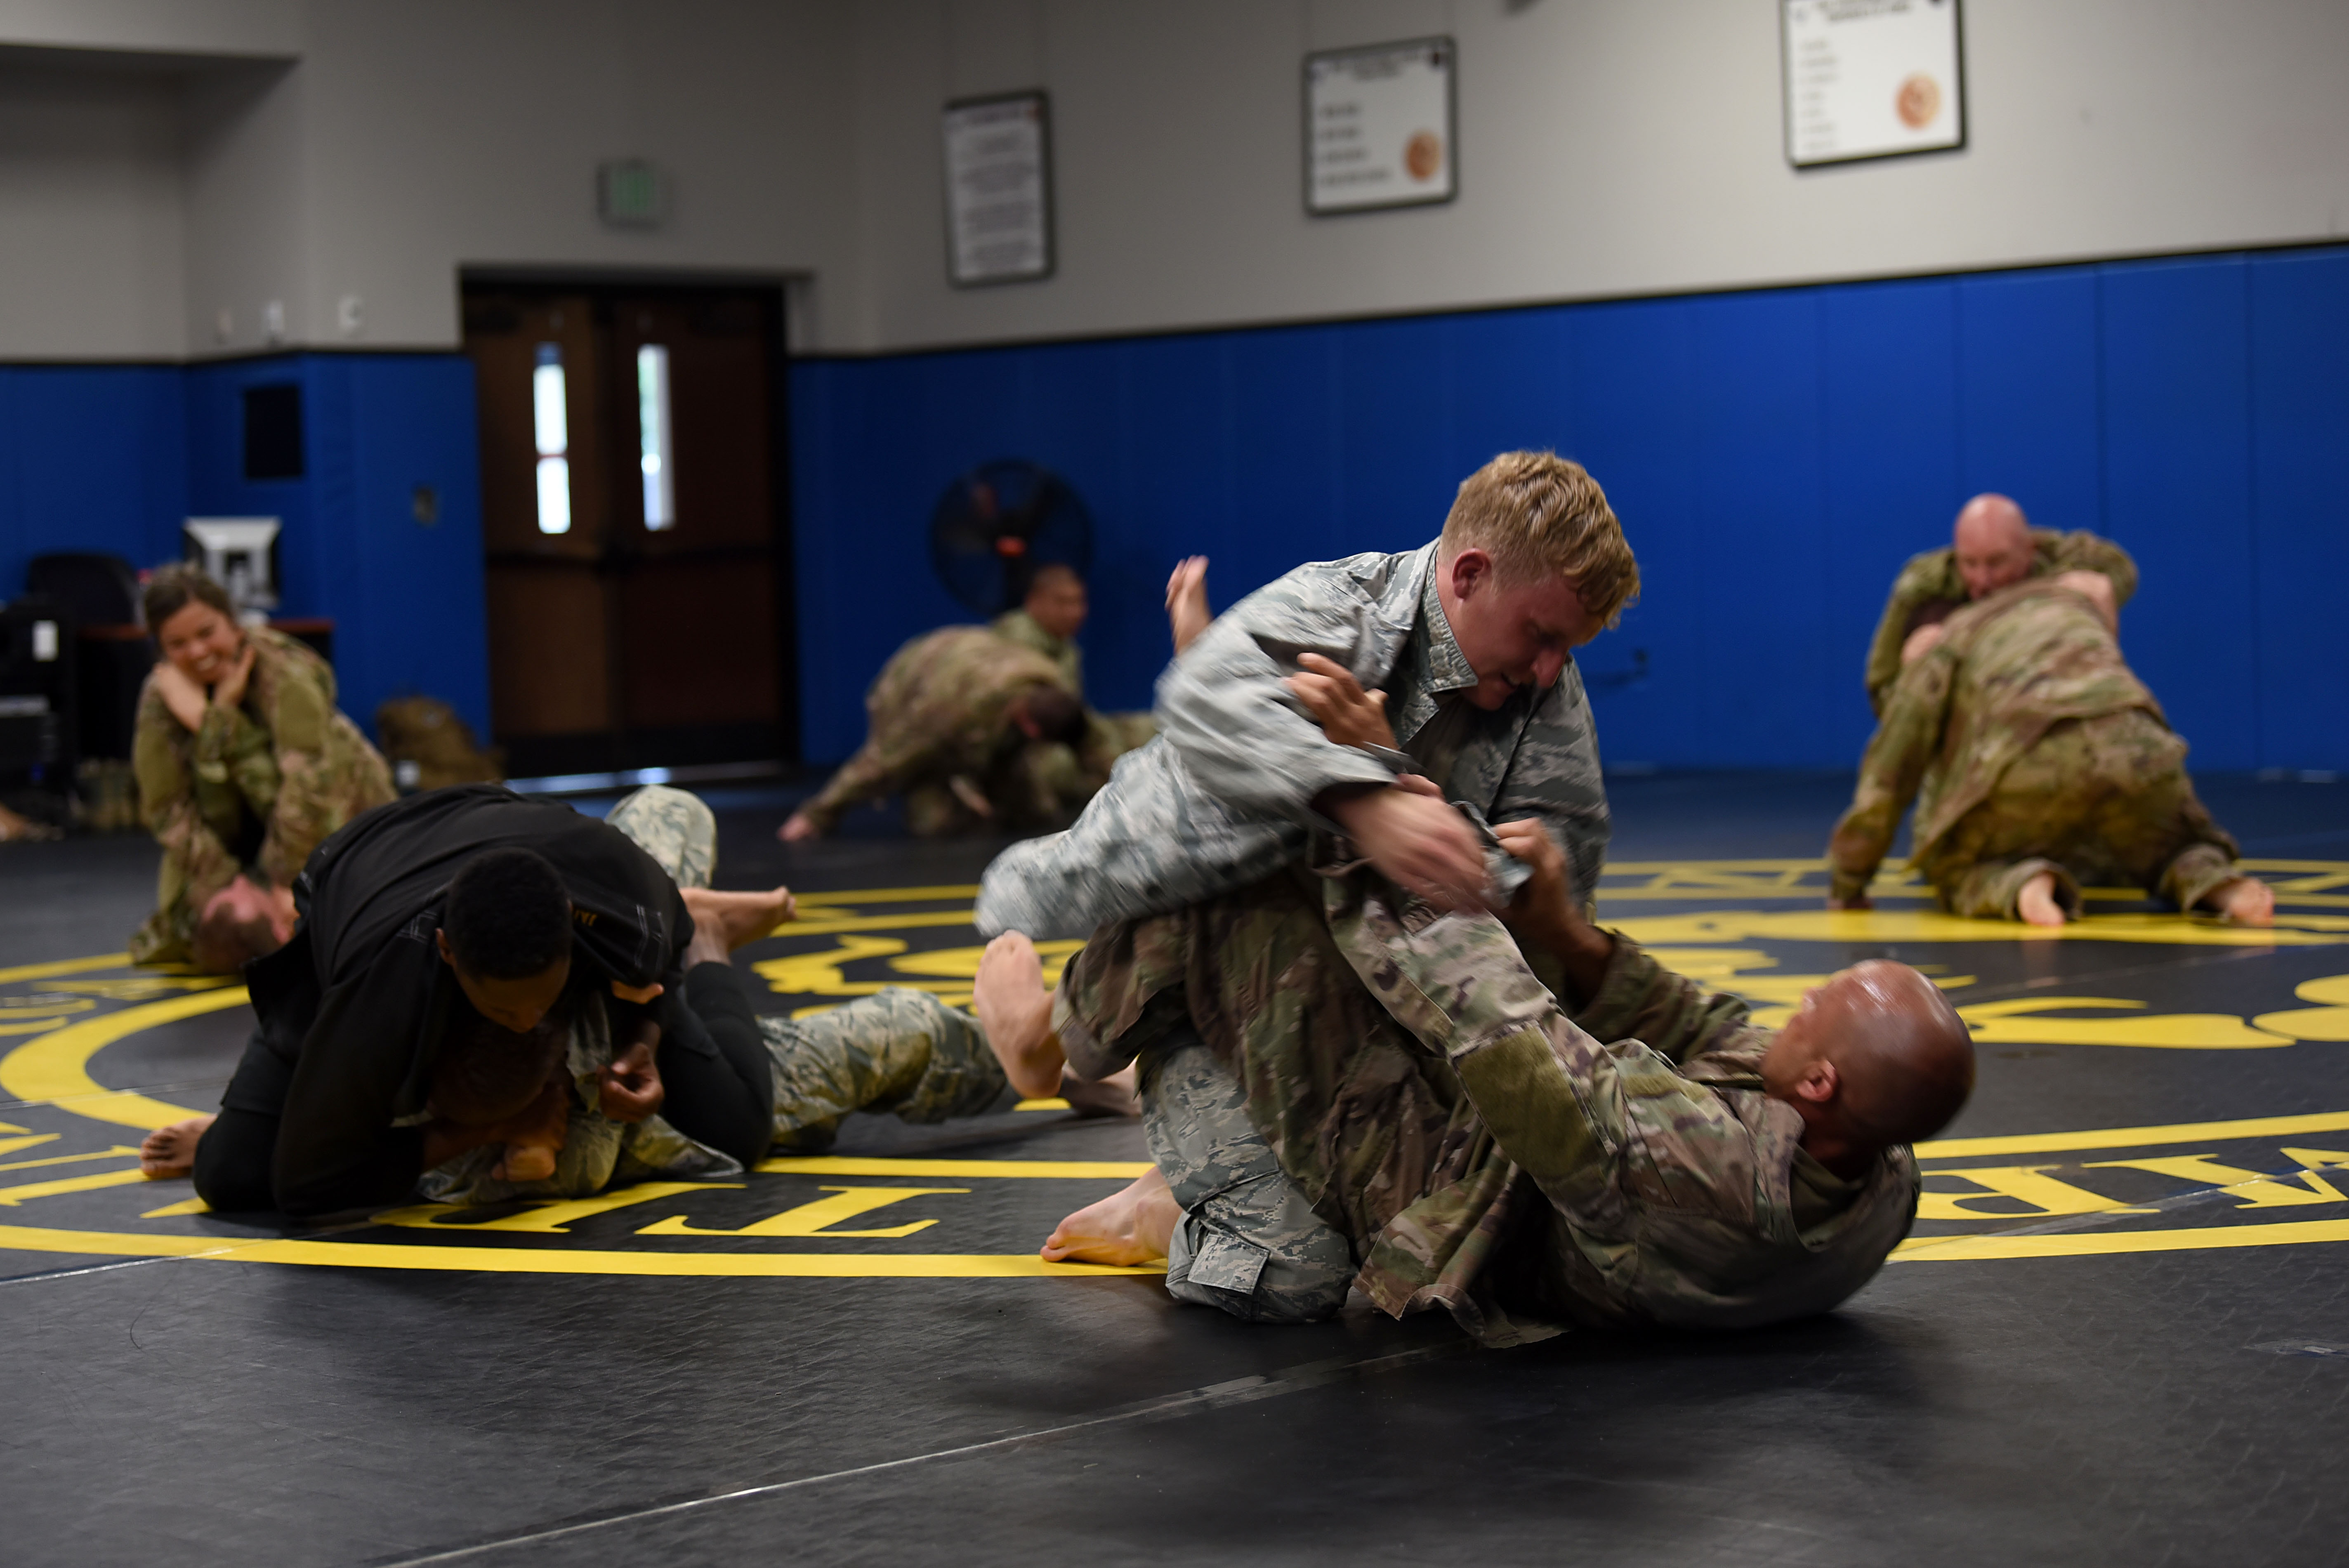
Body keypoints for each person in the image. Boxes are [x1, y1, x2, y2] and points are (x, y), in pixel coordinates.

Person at [965, 795, 1974, 1338]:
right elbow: (1705, 1028)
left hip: (1448, 1201)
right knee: (1408, 938)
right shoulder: (1878, 1167)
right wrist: (1568, 933)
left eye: (1814, 1010)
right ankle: (1147, 1121)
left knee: (1259, 878)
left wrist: (1381, 807)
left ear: (1821, 1087)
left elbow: (1504, 1036)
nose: (1791, 1008)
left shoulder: (1702, 1177)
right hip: (1532, 1171)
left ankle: (1049, 1043)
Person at [974, 450, 1638, 948]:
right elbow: (1201, 693)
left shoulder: (1547, 682)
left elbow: (1560, 878)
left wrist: (1389, 772)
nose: (1551, 670)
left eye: (1568, 647)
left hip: (1304, 954)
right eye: (1540, 635)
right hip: (1157, 876)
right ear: (1468, 576)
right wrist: (1365, 799)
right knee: (1044, 1007)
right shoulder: (1348, 607)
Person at [136, 783, 796, 1214]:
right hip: (364, 887)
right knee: (230, 1173)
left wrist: (643, 1041)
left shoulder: (623, 892)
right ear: (450, 952)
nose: (529, 1024)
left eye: (542, 1004)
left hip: (532, 850)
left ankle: (716, 934)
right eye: (507, 1011)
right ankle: (307, 1109)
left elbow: (658, 967)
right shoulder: (382, 984)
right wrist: (481, 1128)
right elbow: (307, 1187)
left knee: (739, 1124)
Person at [1828, 575, 2273, 928]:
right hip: (2140, 752)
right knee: (2171, 844)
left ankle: (2022, 886)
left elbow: (1889, 773)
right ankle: (2216, 883)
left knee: (1951, 866)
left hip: (2029, 766)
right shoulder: (2069, 601)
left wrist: (1849, 881)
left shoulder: (1943, 644)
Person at [129, 564, 396, 970]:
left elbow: (312, 782)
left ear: (234, 624)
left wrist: (285, 880)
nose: (197, 653)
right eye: (177, 644)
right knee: (217, 933)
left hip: (334, 820)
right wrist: (223, 883)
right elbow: (167, 809)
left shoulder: (283, 671)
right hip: (239, 842)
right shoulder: (161, 696)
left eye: (206, 633)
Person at [778, 627, 1096, 842]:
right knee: (935, 822)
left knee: (1036, 814)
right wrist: (818, 814)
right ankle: (941, 785)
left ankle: (978, 790)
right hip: (910, 688)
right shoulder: (948, 715)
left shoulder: (1054, 689)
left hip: (976, 681)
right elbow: (884, 761)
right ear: (1030, 728)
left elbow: (1091, 741)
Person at [1862, 494, 2137, 716]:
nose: (1983, 578)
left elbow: (2119, 570)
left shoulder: (2053, 561)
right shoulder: (1924, 589)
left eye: (1997, 562)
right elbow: (1882, 692)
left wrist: (2059, 594)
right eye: (1969, 563)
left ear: (2028, 552)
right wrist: (1914, 677)